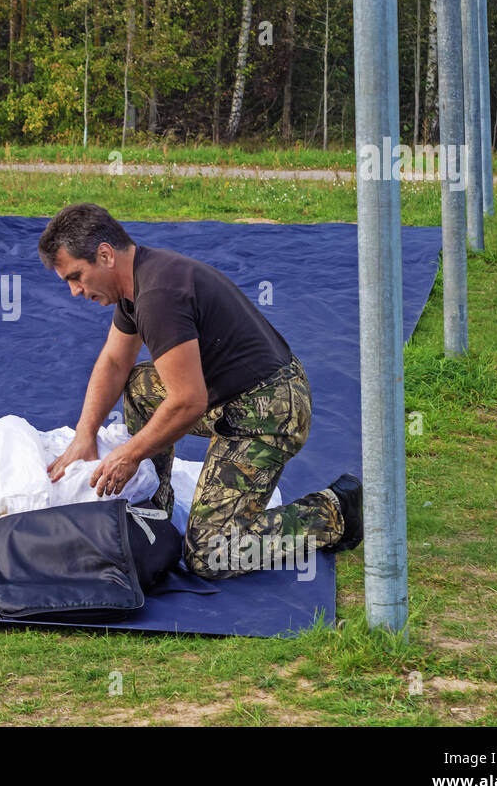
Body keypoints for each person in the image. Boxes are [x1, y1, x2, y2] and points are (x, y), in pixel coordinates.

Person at [38, 202, 363, 579]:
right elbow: (113, 362)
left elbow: (188, 402)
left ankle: (333, 511)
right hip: (232, 395)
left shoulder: (158, 295)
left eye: (76, 276)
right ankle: (156, 505)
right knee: (141, 387)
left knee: (209, 554)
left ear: (106, 255)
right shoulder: (137, 282)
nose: (75, 291)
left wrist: (130, 454)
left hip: (271, 412)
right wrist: (85, 434)